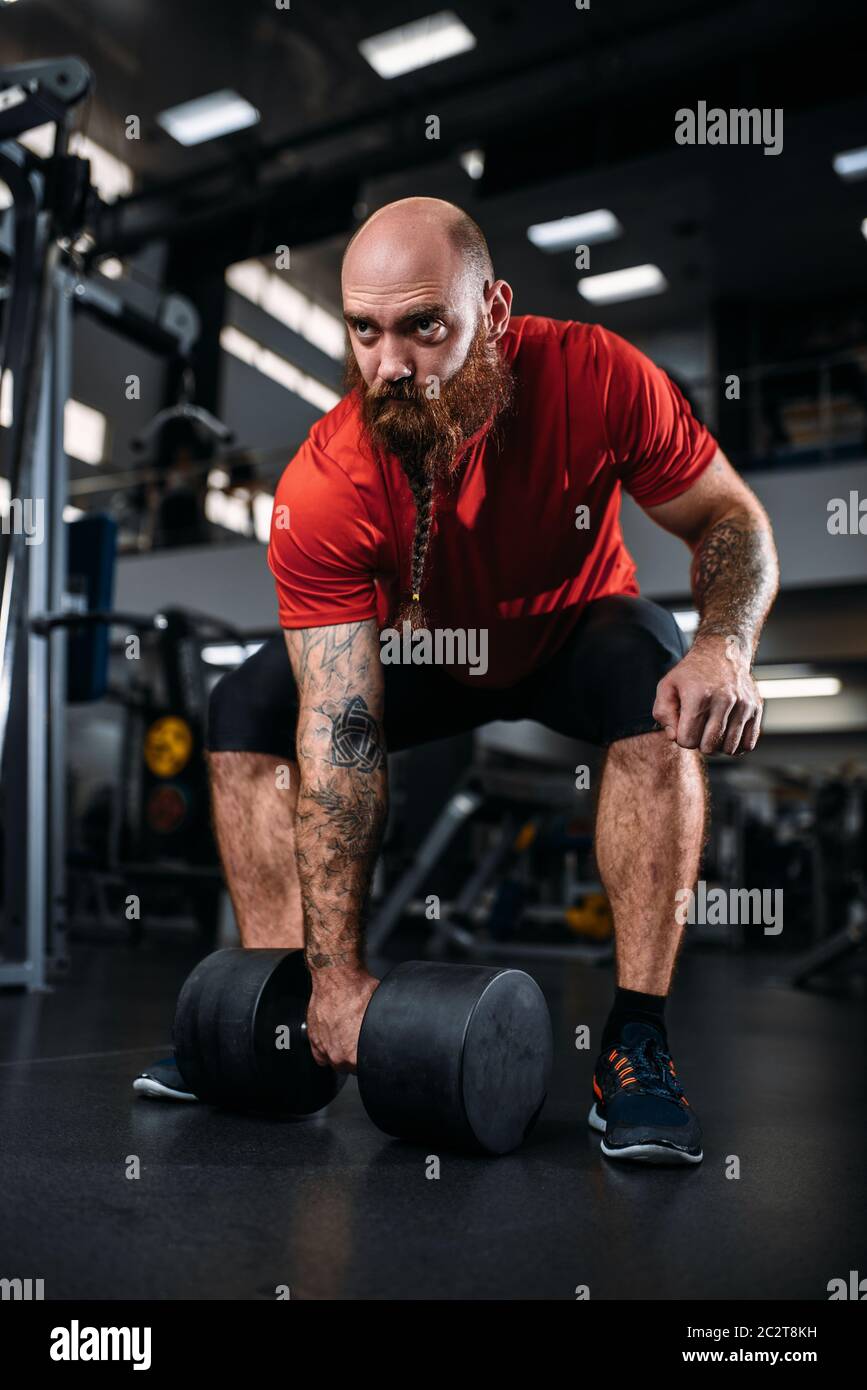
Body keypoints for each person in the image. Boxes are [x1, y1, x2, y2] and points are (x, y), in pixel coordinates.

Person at [136, 196, 779, 1165]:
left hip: (573, 631)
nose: (391, 363)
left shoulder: (598, 374)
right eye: (366, 330)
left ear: (499, 311)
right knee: (248, 708)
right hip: (427, 650)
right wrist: (338, 971)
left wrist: (724, 643)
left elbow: (729, 518)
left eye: (424, 326)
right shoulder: (328, 479)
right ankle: (277, 1004)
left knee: (655, 690)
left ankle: (637, 1041)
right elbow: (343, 729)